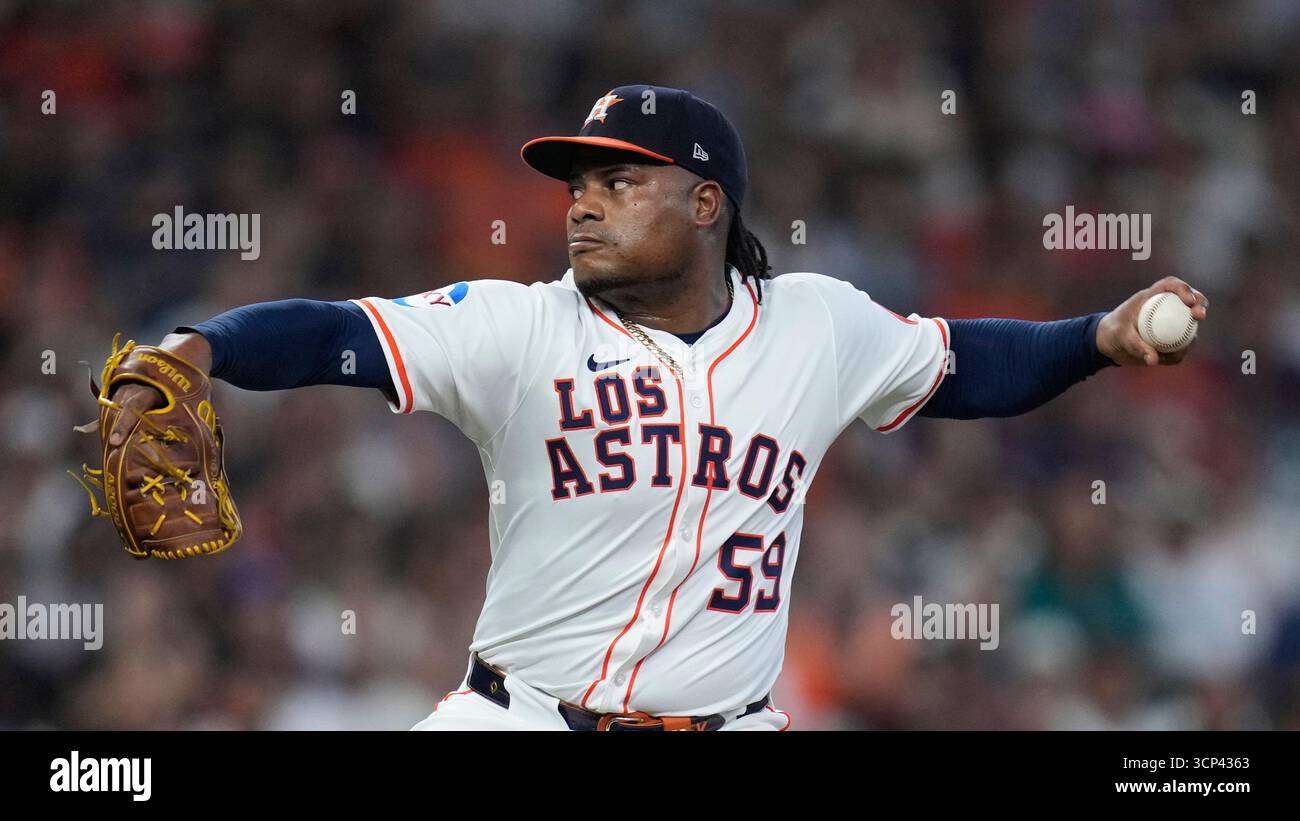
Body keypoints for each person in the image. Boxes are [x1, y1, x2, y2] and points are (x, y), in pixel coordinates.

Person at [104, 85, 1208, 731]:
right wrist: (201, 347)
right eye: (577, 184)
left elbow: (966, 364)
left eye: (619, 182)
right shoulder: (519, 326)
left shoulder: (816, 325)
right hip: (519, 715)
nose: (583, 204)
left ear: (706, 201)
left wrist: (1096, 340)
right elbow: (333, 332)